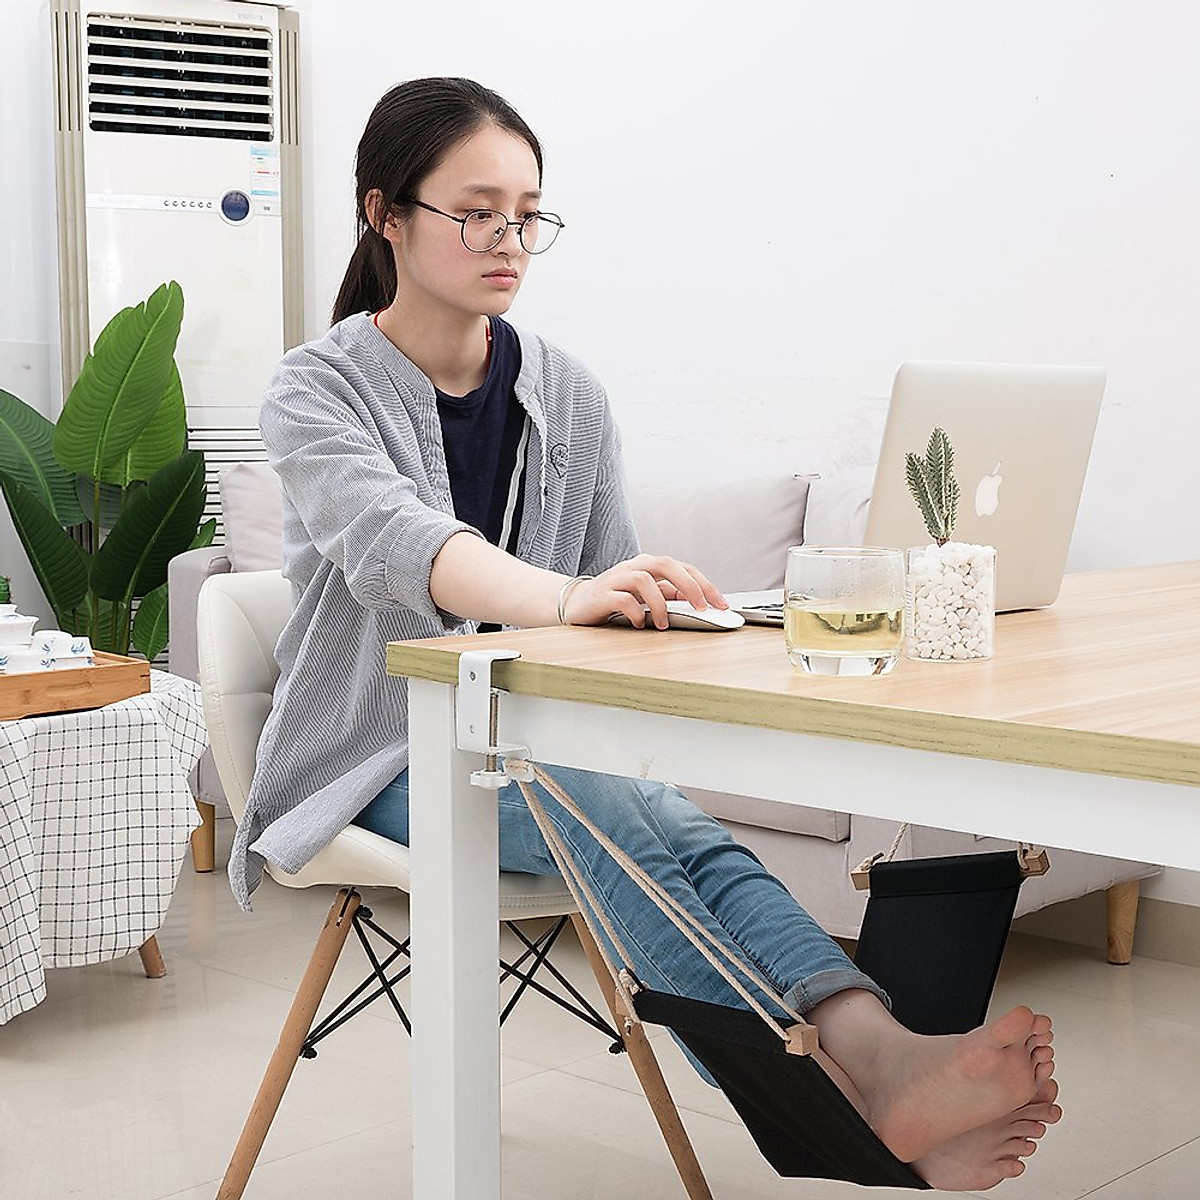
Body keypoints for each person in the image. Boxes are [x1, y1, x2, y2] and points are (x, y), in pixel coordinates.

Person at [231, 77, 1061, 1190]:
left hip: (533, 740)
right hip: (373, 752)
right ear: (386, 214)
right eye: (476, 211)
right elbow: (404, 542)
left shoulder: (568, 394)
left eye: (529, 213)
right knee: (605, 805)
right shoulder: (316, 388)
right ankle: (823, 1104)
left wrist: (656, 606)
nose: (509, 239)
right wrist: (568, 594)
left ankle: (882, 1057)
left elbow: (597, 596)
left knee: (684, 822)